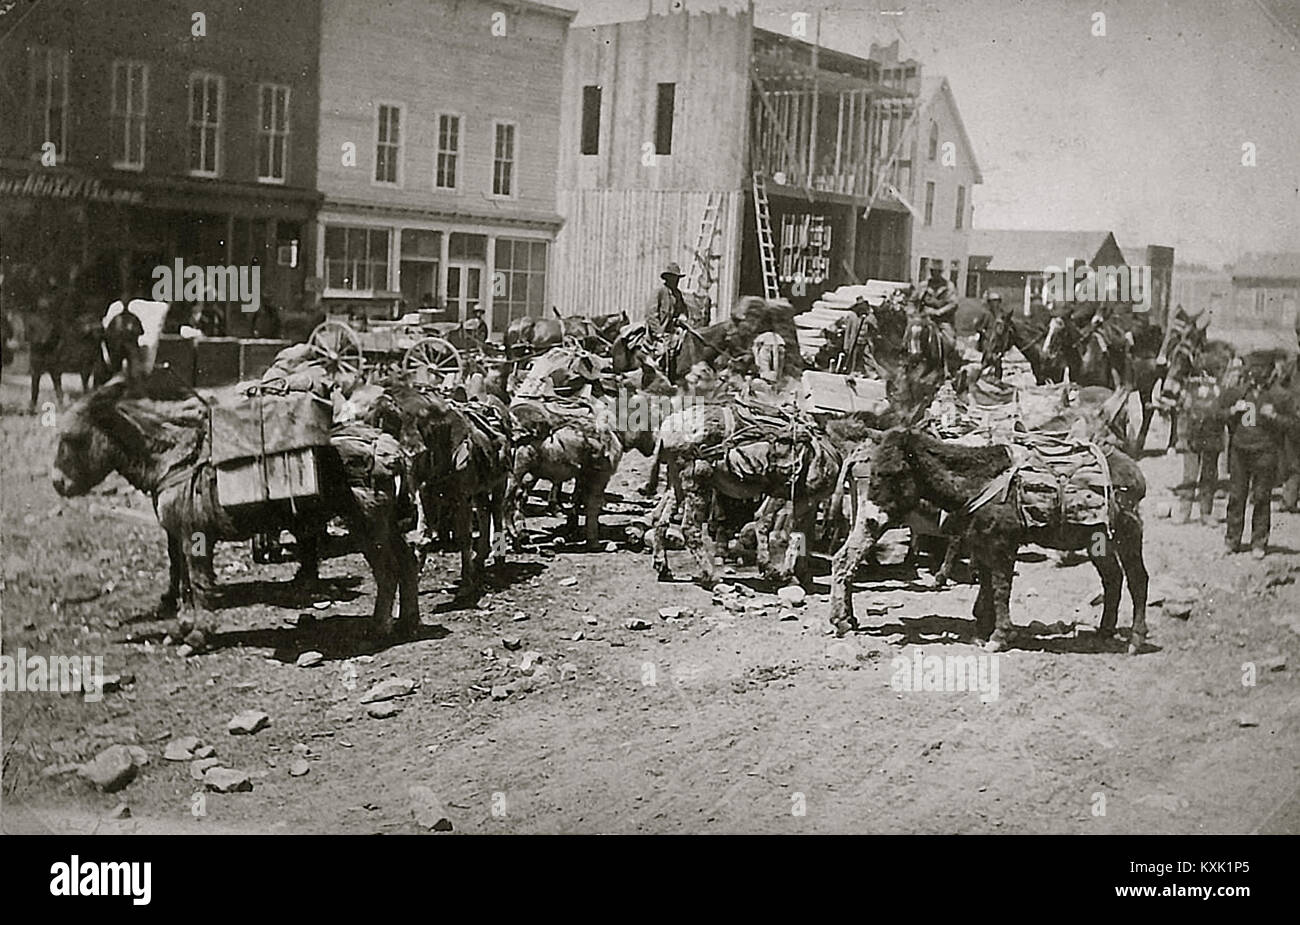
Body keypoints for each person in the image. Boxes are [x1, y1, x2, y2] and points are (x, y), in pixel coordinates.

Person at [1218, 350, 1298, 557]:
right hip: (1240, 451)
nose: (1255, 373)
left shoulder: (1280, 395)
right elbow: (1218, 415)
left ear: (1270, 371)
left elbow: (1294, 426)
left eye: (1259, 369)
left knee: (1262, 498)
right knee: (1236, 496)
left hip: (1265, 452)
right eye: (1252, 369)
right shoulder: (1239, 392)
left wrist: (1275, 417)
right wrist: (1233, 411)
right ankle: (1232, 540)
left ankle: (1259, 542)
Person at [919, 265, 959, 372]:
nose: (934, 274)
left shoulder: (949, 286)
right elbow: (914, 301)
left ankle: (945, 365)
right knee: (912, 333)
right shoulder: (924, 285)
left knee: (949, 341)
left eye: (936, 271)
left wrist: (939, 312)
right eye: (932, 271)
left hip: (942, 320)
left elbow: (953, 304)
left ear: (940, 272)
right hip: (925, 318)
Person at [647, 262, 689, 338]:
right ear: (667, 278)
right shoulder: (660, 291)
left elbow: (683, 311)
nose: (676, 281)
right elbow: (651, 314)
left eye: (677, 278)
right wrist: (658, 331)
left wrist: (682, 317)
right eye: (673, 278)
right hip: (658, 331)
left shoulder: (677, 294)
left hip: (673, 331)